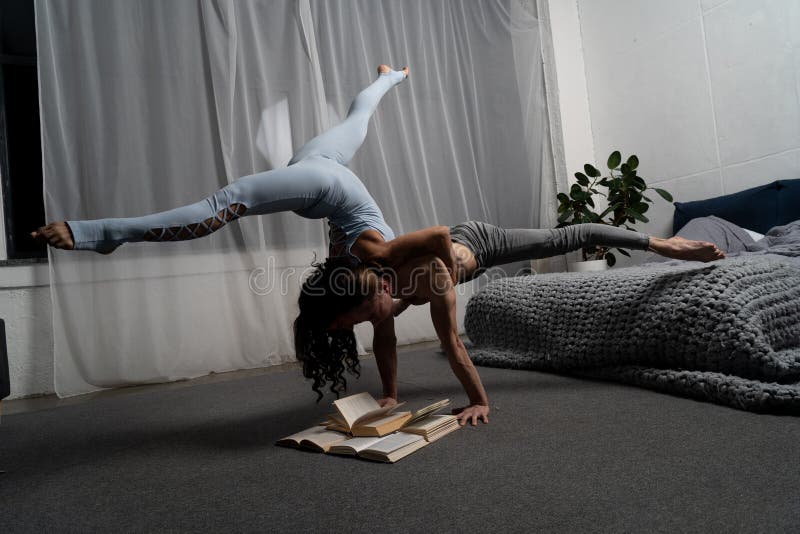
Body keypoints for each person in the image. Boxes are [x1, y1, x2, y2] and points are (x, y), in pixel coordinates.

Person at [31, 65, 457, 277]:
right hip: (320, 183)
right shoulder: (384, 259)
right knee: (224, 206)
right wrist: (451, 268)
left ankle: (389, 77)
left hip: (321, 167)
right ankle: (104, 233)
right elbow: (439, 235)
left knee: (358, 120)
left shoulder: (370, 270)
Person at [294, 220, 726, 426]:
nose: (358, 327)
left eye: (351, 322)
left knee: (569, 237)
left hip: (479, 244)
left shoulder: (418, 273)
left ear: (372, 296)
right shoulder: (375, 289)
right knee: (389, 319)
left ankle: (663, 243)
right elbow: (384, 342)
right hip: (427, 274)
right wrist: (389, 394)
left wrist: (480, 401)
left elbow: (454, 345)